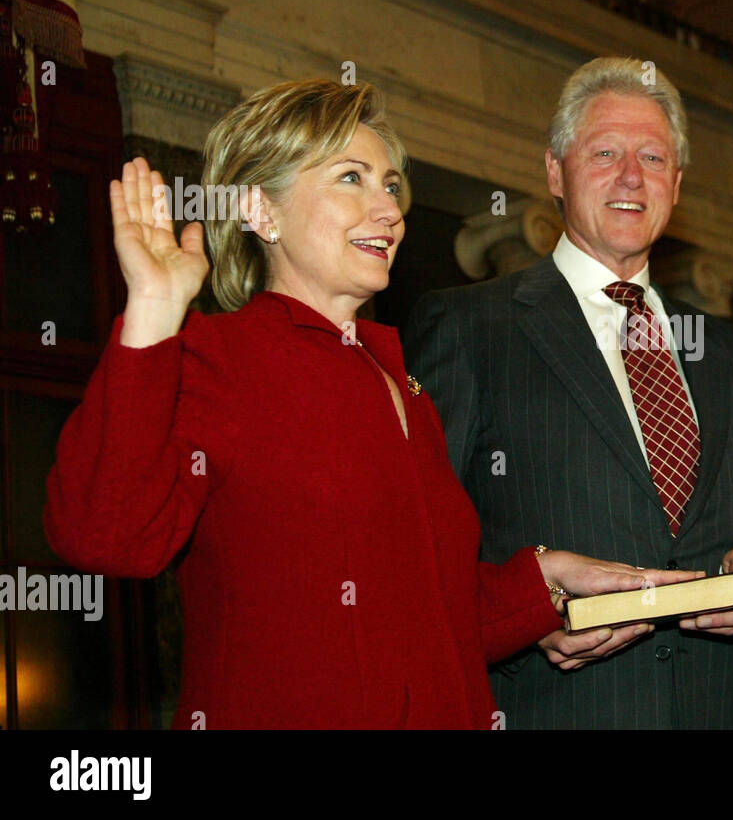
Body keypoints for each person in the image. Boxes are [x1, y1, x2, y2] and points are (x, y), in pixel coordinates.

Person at [43, 78, 695, 729]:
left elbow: (430, 624)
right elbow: (107, 538)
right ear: (260, 211)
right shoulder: (217, 355)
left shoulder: (404, 387)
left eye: (389, 185)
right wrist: (153, 311)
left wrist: (545, 578)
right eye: (351, 178)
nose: (389, 210)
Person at [404, 58, 733, 729]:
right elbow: (420, 539)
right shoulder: (469, 327)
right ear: (553, 172)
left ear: (677, 184)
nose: (632, 176)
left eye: (653, 157)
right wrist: (518, 618)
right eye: (605, 152)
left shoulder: (732, 353)